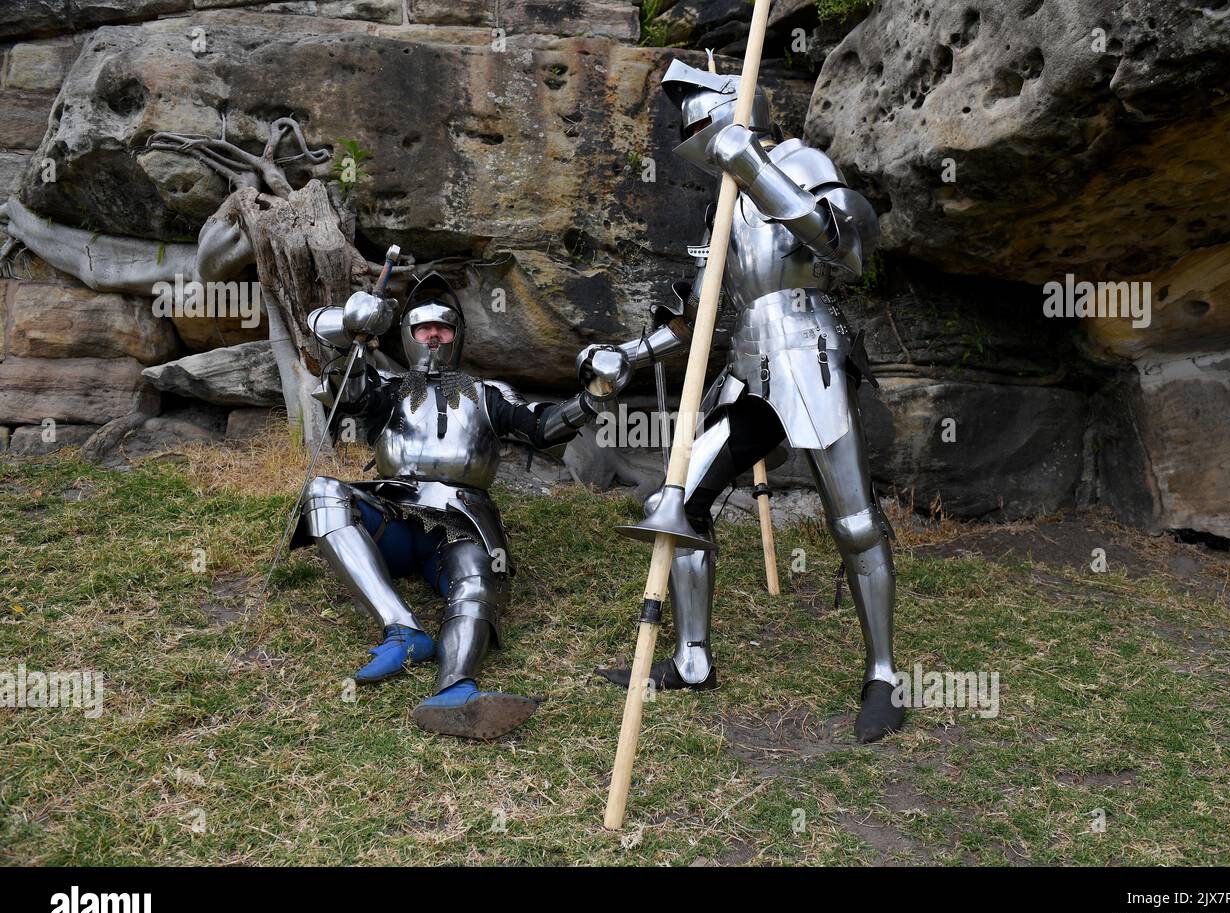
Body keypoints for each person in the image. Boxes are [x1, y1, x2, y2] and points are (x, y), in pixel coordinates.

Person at [591, 58, 904, 742]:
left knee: (853, 525)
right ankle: (692, 659)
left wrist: (756, 170)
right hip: (747, 371)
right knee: (675, 504)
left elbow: (845, 245)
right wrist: (629, 355)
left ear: (739, 106)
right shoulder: (720, 206)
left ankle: (884, 675)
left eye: (700, 112)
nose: (693, 128)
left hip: (812, 357)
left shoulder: (797, 159)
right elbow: (696, 318)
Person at [291, 272, 630, 739]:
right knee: (323, 493)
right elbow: (347, 392)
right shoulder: (387, 389)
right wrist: (352, 336)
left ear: (458, 335)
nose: (433, 336)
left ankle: (454, 689)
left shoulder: (488, 394)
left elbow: (543, 427)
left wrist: (594, 397)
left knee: (475, 579)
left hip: (463, 518)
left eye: (444, 328)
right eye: (422, 328)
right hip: (392, 515)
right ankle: (403, 630)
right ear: (407, 337)